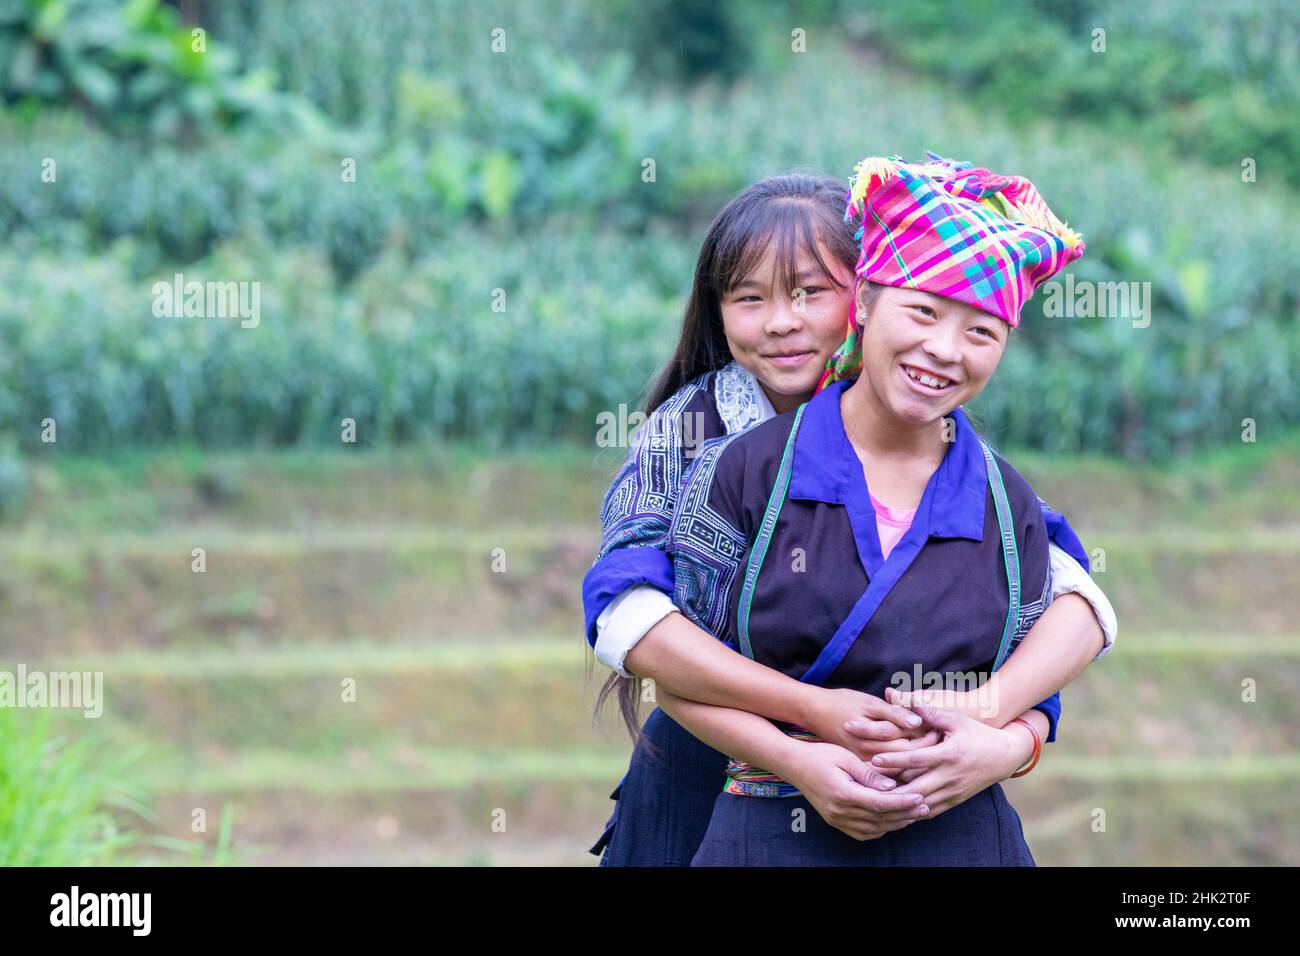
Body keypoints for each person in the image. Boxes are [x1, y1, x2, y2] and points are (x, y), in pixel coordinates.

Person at [584, 163, 1115, 865]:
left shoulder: (923, 424)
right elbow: (627, 614)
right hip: (708, 771)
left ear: (863, 294)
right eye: (749, 298)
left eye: (810, 293)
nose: (783, 322)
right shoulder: (693, 432)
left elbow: (1045, 594)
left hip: (899, 798)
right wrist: (802, 721)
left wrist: (1011, 731)